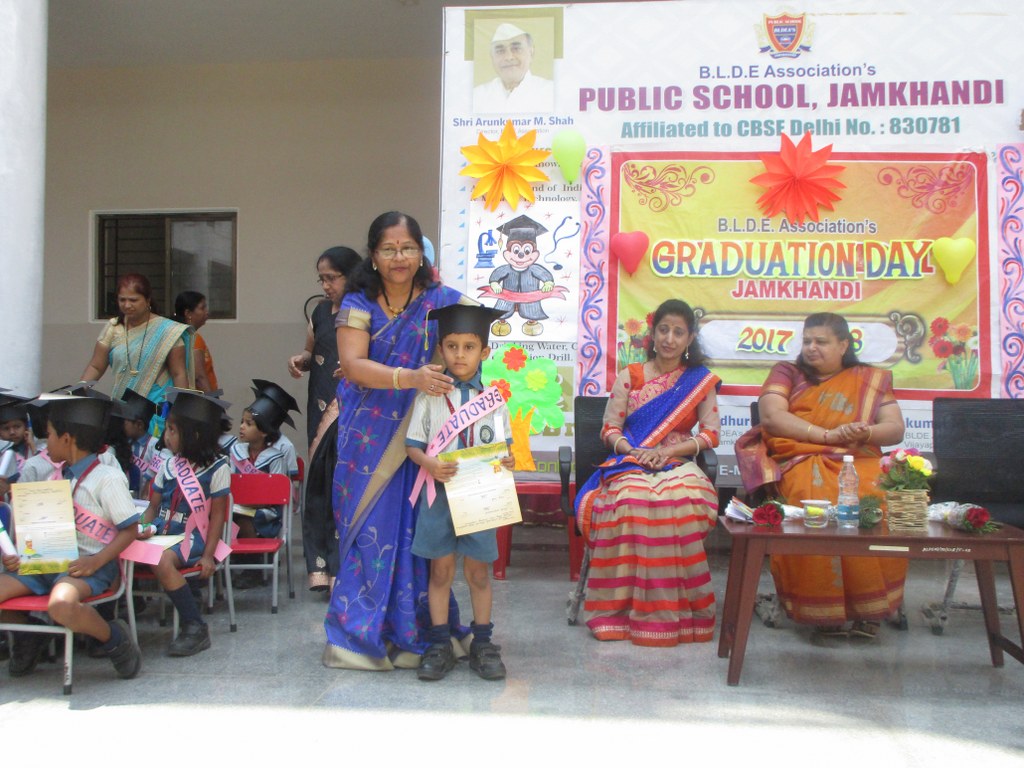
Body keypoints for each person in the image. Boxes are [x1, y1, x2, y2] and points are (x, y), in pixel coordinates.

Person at [323, 211, 474, 671]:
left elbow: (472, 338)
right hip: (367, 437)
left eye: (408, 248)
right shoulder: (357, 303)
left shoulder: (442, 301)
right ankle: (357, 636)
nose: (399, 257)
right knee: (370, 533)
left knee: (418, 537)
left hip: (425, 438)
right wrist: (409, 377)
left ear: (421, 253)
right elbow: (352, 364)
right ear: (373, 255)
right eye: (388, 249)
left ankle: (420, 635)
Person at [735, 312, 907, 640]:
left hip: (858, 459)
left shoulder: (869, 378)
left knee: (877, 498)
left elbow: (895, 429)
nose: (811, 348)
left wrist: (865, 431)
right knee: (812, 499)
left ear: (844, 344)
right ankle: (820, 608)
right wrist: (827, 436)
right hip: (802, 458)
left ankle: (868, 609)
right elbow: (771, 417)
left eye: (821, 342)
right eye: (807, 341)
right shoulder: (787, 372)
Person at [573, 299, 721, 647]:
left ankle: (681, 615)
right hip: (631, 461)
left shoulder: (700, 381)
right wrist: (634, 452)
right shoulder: (631, 377)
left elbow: (711, 434)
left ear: (690, 338)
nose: (670, 338)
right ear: (652, 334)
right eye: (664, 330)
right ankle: (620, 611)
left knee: (683, 501)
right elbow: (609, 430)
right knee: (632, 501)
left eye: (678, 332)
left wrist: (667, 451)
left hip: (679, 463)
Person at [405, 303, 514, 681]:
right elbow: (412, 446)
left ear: (484, 352)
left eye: (469, 347)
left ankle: (482, 643)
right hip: (439, 498)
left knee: (479, 573)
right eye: (452, 346)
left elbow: (506, 451)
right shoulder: (428, 397)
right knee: (441, 572)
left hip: (481, 496)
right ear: (441, 349)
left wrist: (508, 461)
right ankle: (439, 643)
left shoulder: (495, 401)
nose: (460, 355)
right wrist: (429, 464)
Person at [0, 394, 142, 679]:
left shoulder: (107, 477)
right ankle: (32, 637)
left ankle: (115, 639)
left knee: (61, 605)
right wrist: (18, 554)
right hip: (46, 563)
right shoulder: (57, 476)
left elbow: (130, 530)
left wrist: (97, 561)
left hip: (89, 567)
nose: (45, 442)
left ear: (67, 439)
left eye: (49, 435)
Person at [289, 246, 385, 592]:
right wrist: (300, 361)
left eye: (333, 278)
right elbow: (311, 350)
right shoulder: (318, 311)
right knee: (317, 482)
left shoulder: (364, 311)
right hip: (319, 404)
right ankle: (319, 568)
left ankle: (343, 569)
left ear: (351, 274)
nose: (326, 285)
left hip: (351, 406)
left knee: (343, 484)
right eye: (322, 279)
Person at [139, 389, 230, 656]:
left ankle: (195, 626)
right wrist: (142, 528)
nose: (166, 436)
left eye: (172, 430)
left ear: (195, 435)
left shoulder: (218, 467)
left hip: (194, 540)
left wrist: (209, 556)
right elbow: (152, 507)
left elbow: (217, 517)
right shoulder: (167, 465)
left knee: (162, 560)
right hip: (163, 534)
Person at [79, 273, 194, 431]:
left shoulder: (168, 331)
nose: (127, 305)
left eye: (133, 300)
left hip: (157, 409)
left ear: (147, 300)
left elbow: (178, 373)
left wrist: (183, 413)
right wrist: (78, 392)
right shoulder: (113, 328)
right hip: (123, 408)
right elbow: (96, 367)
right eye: (122, 300)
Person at [230, 380, 298, 540]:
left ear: (264, 431)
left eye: (249, 424)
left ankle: (254, 558)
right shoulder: (236, 452)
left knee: (244, 518)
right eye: (241, 422)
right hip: (238, 507)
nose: (241, 427)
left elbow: (275, 495)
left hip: (268, 512)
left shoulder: (275, 458)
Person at [473, 22, 554, 113]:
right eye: (500, 51)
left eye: (516, 49)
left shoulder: (551, 92)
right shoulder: (476, 96)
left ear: (531, 53)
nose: (508, 57)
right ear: (492, 57)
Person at [174, 291, 218, 393]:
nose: (206, 312)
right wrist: (213, 401)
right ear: (188, 313)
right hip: (199, 399)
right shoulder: (192, 338)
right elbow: (199, 376)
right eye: (202, 308)